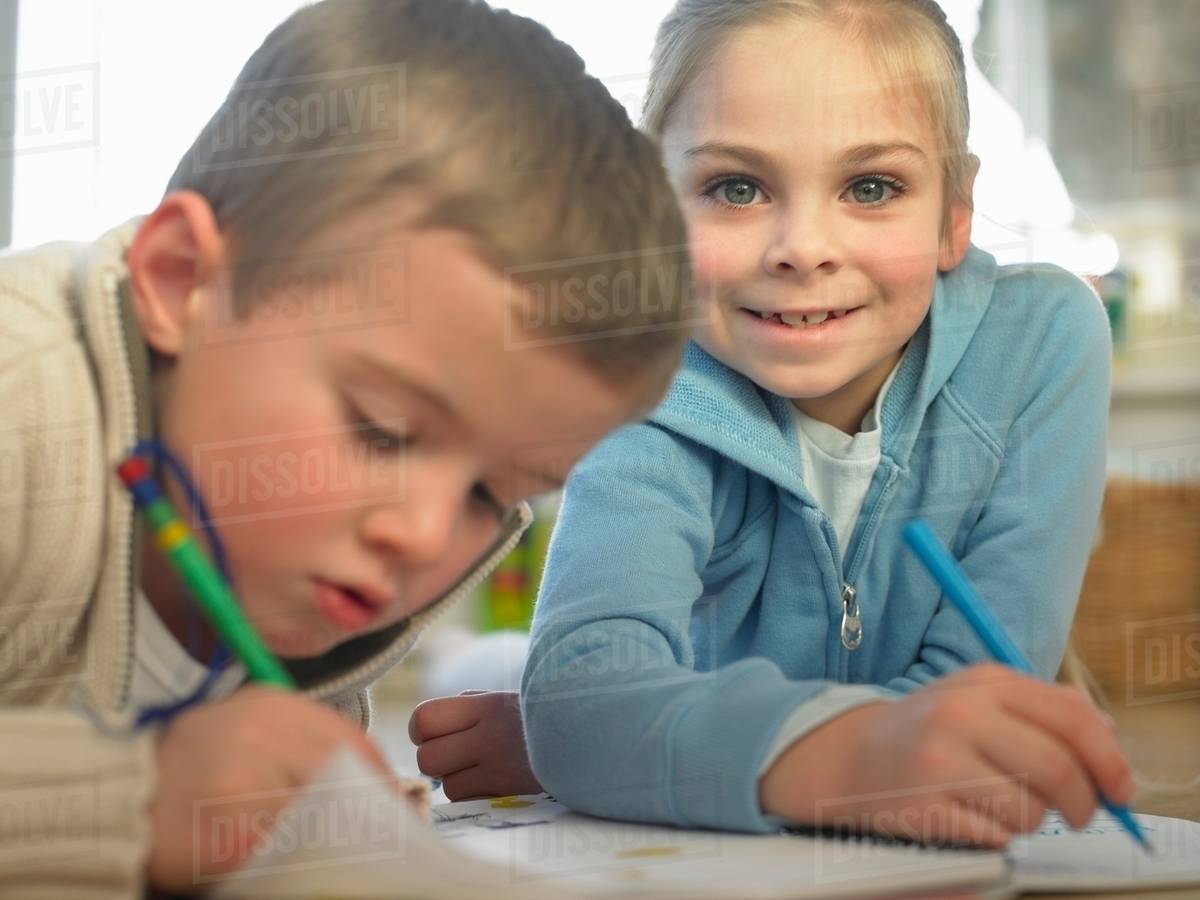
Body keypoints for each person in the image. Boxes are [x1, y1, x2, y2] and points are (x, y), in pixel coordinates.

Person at [0, 0, 692, 895]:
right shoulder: (22, 405)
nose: (425, 535)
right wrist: (133, 795)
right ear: (181, 281)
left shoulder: (296, 583)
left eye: (494, 493)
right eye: (382, 429)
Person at [416, 0, 1133, 847]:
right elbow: (582, 703)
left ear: (954, 213)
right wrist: (582, 736)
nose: (803, 247)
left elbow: (977, 719)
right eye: (737, 187)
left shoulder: (1043, 340)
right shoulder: (642, 384)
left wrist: (632, 747)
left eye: (872, 187)